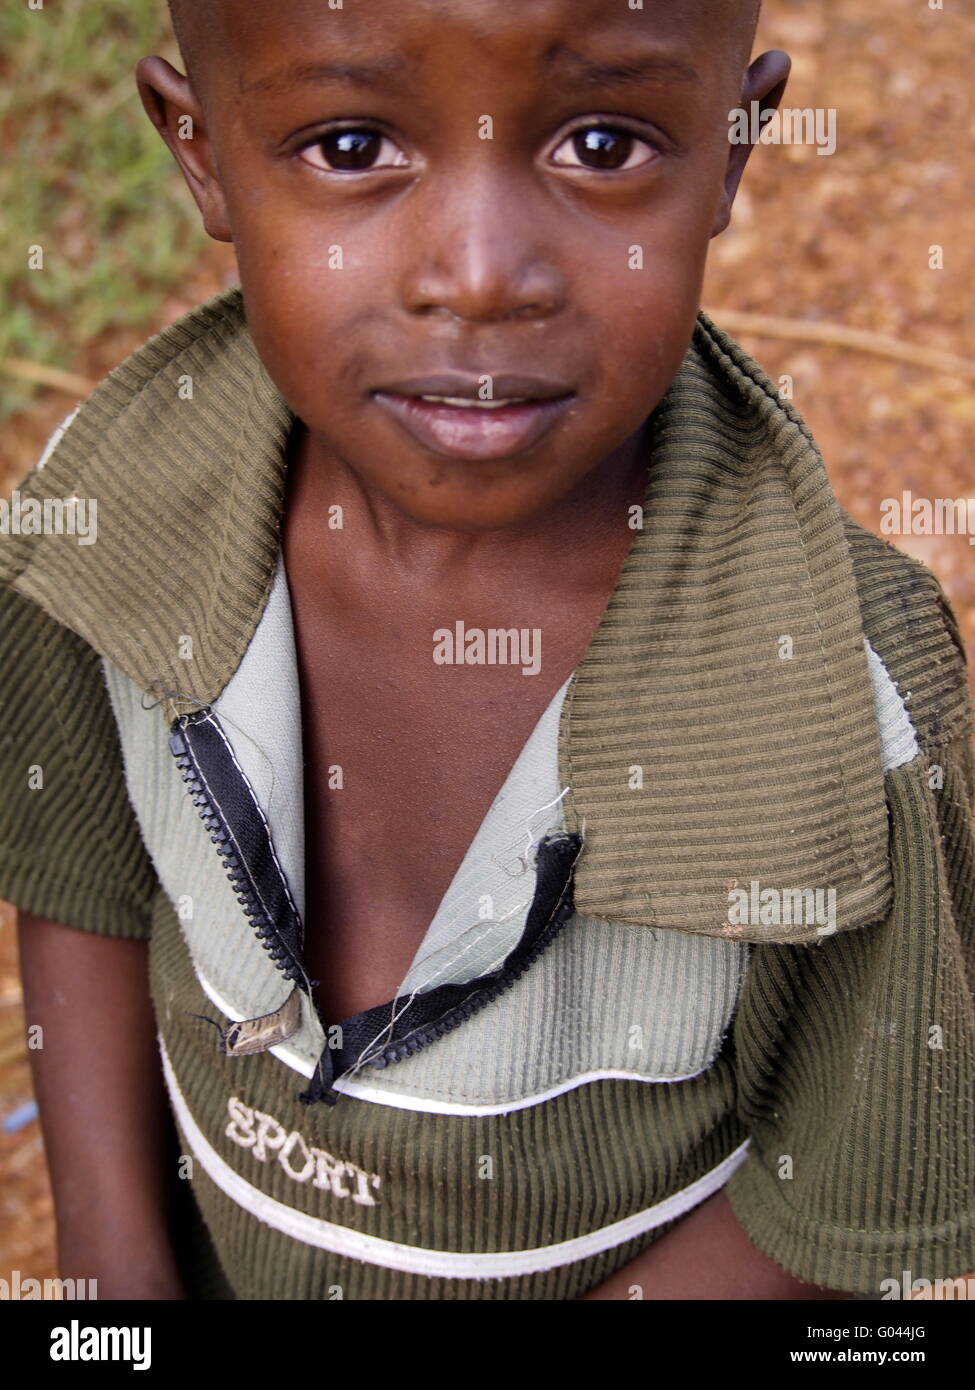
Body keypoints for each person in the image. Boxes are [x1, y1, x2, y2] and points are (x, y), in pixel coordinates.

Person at [1, 0, 972, 1301]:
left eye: (604, 145)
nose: (477, 271)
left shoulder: (848, 713)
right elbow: (83, 882)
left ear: (733, 149)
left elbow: (848, 1196)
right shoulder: (105, 521)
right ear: (200, 150)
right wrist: (114, 1287)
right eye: (351, 146)